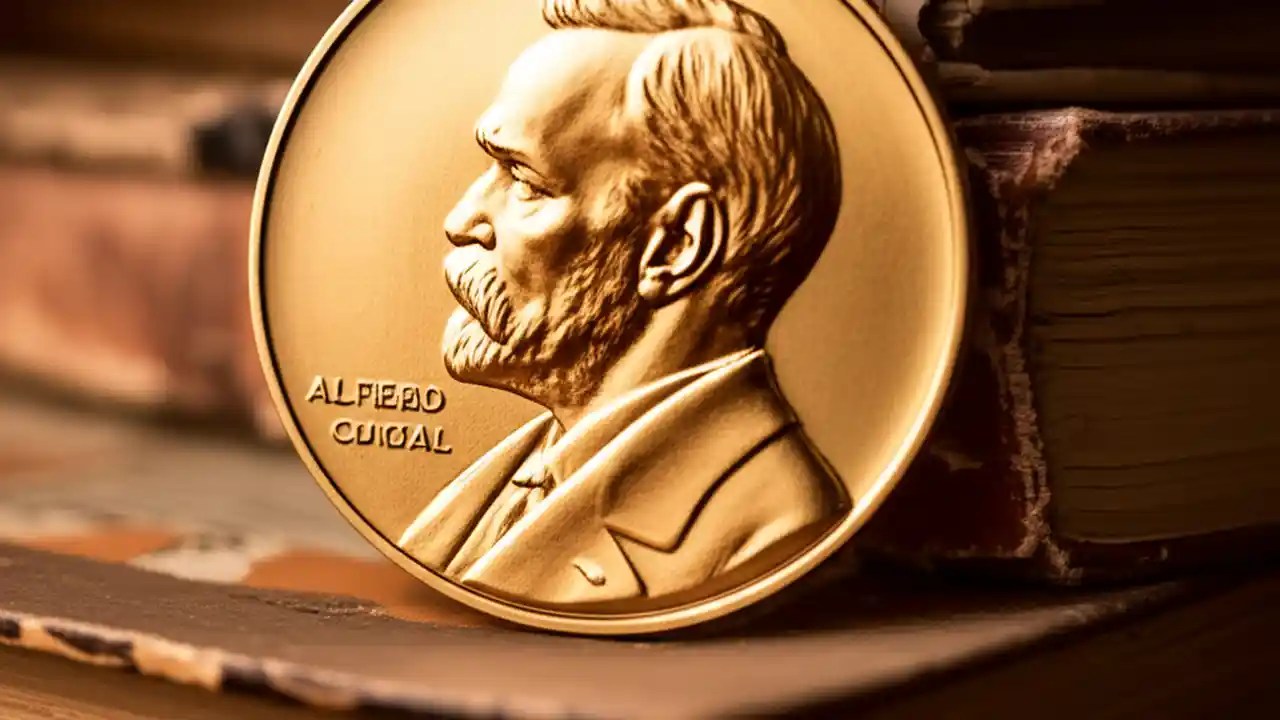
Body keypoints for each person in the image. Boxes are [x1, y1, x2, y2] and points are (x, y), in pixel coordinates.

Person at [399, 0, 849, 609]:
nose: (461, 221)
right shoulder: (510, 479)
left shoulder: (775, 522)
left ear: (677, 245)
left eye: (525, 182)